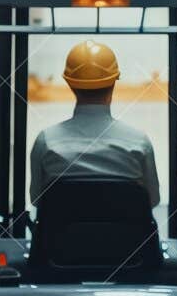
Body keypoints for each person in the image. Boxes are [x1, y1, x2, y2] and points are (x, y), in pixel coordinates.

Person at [29, 40, 160, 208]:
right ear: (113, 83)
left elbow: (37, 200)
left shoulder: (46, 142)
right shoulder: (139, 143)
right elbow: (152, 200)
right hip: (122, 235)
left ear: (70, 84)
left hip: (63, 235)